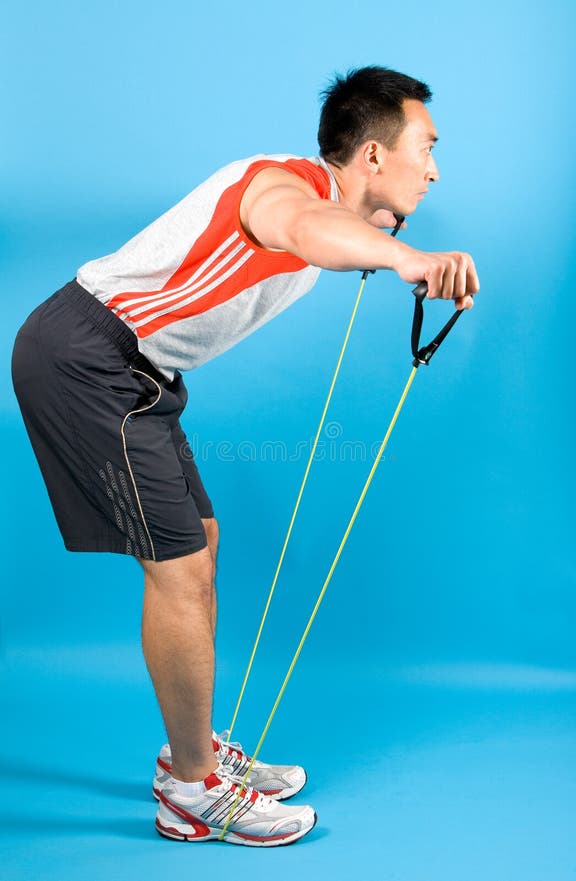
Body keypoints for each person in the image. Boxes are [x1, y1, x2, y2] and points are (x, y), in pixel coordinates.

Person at [11, 65, 479, 847]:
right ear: (370, 155)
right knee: (182, 566)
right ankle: (192, 790)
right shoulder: (283, 185)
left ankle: (189, 754)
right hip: (87, 357)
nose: (433, 169)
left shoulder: (334, 212)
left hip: (140, 371)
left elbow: (326, 237)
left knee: (202, 541)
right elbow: (297, 227)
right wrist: (409, 260)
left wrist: (381, 247)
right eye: (424, 148)